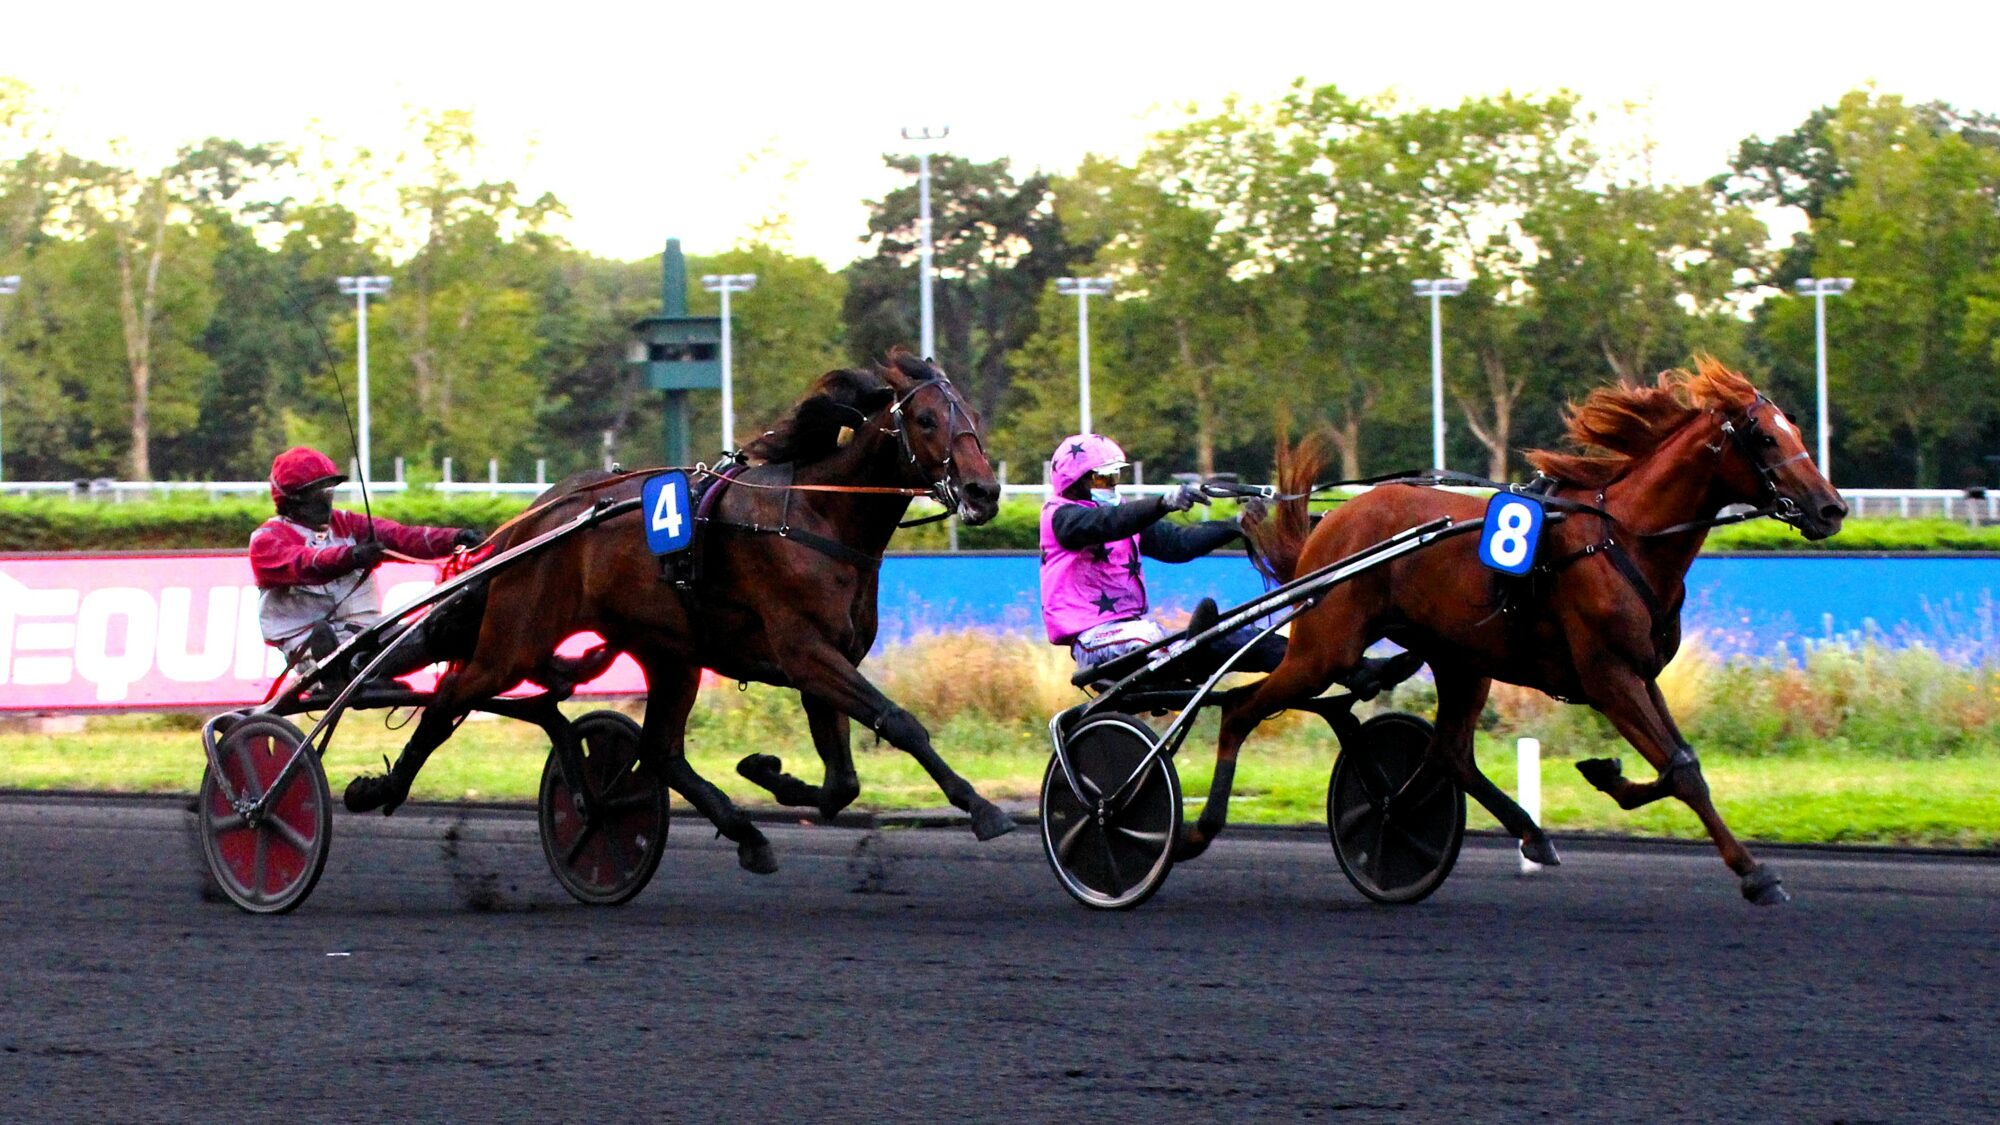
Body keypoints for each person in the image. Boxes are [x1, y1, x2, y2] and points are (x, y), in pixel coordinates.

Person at [1039, 434, 1283, 678]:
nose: (1113, 485)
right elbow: (1107, 523)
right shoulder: (1060, 516)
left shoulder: (1121, 515)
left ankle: (1290, 657)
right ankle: (1192, 659)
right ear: (1074, 482)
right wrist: (1163, 503)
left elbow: (1178, 544)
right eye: (1103, 478)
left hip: (1135, 635)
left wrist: (1238, 524)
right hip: (1092, 640)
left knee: (1233, 637)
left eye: (1115, 477)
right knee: (1148, 635)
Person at [250, 446, 482, 692]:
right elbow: (307, 563)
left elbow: (401, 537)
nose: (325, 497)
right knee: (331, 642)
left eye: (328, 488)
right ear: (292, 498)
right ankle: (346, 672)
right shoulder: (267, 540)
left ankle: (361, 672)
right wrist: (351, 556)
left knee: (449, 629)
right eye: (316, 490)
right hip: (312, 652)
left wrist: (454, 538)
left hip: (370, 636)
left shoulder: (348, 523)